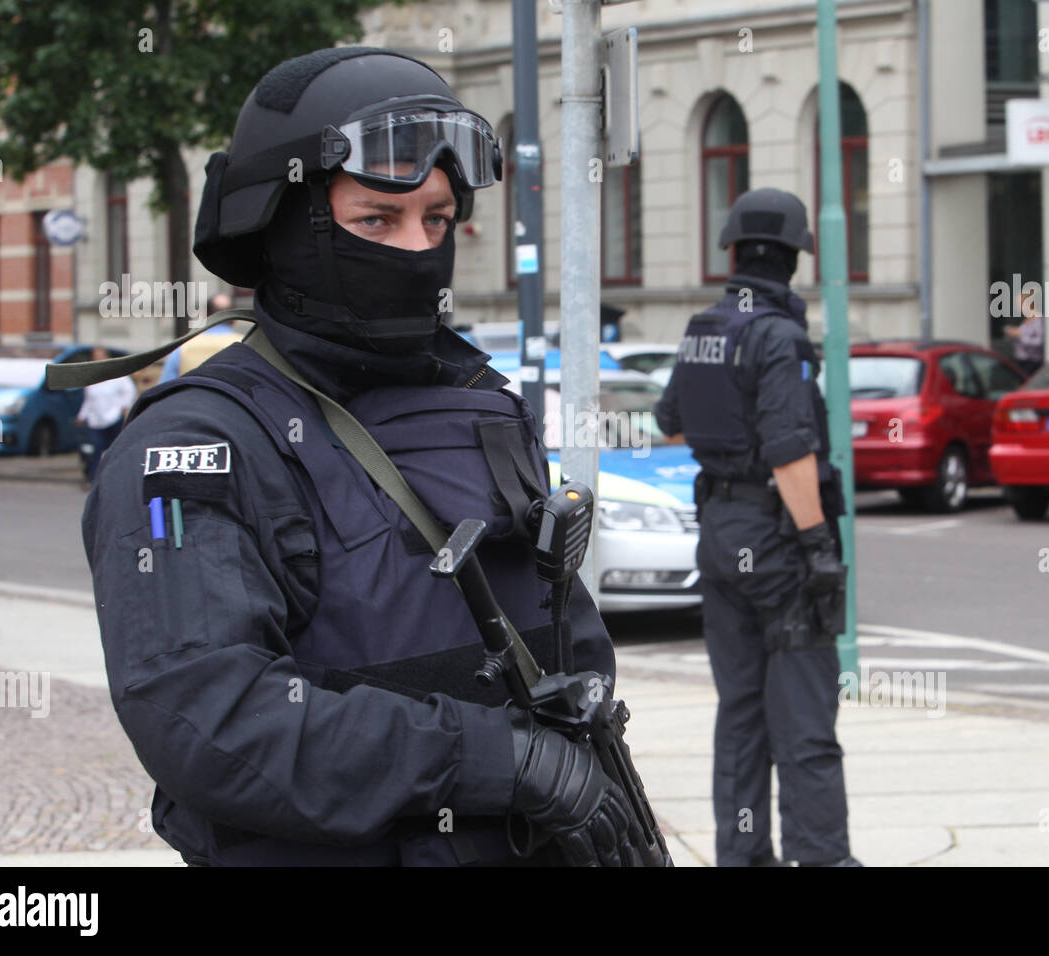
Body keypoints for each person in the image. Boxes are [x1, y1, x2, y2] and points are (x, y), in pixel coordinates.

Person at [78, 47, 641, 866]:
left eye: (437, 220)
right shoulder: (197, 444)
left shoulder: (483, 404)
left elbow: (566, 643)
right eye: (378, 220)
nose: (417, 249)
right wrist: (497, 760)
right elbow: (205, 716)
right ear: (282, 222)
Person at [655, 188, 859, 867]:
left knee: (740, 714)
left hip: (719, 530)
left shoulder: (703, 330)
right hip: (776, 538)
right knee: (804, 722)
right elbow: (792, 451)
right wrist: (818, 547)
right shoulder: (780, 337)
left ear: (735, 252)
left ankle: (742, 855)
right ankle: (823, 858)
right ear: (794, 260)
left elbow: (673, 422)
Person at [74, 347, 135, 490]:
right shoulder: (92, 377)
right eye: (96, 356)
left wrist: (124, 406)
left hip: (113, 417)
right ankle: (93, 479)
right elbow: (89, 400)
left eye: (101, 356)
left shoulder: (116, 375)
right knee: (96, 449)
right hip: (96, 419)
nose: (99, 359)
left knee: (115, 449)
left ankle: (116, 477)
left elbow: (129, 391)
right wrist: (81, 415)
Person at [156, 292, 237, 383]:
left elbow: (165, 386)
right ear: (235, 319)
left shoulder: (183, 348)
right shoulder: (246, 345)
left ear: (205, 316)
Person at [1005, 288, 1044, 377]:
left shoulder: (1038, 319)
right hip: (1021, 361)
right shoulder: (1027, 319)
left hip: (1032, 363)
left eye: (1020, 303)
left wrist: (1020, 335)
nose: (1018, 306)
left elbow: (1040, 341)